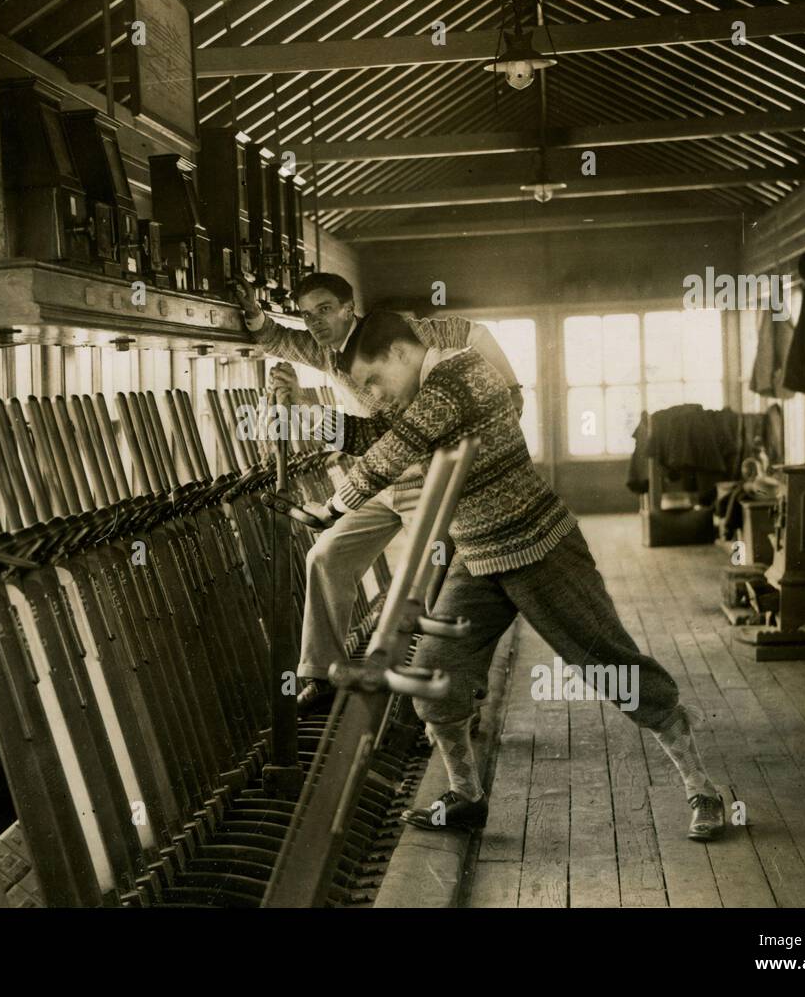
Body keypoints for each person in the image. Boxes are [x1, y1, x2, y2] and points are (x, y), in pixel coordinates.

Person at [301, 310, 726, 842]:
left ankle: (702, 788)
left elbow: (398, 445)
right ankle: (467, 798)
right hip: (478, 558)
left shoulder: (461, 374)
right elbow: (384, 430)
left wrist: (333, 506)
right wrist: (310, 422)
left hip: (538, 548)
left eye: (372, 380)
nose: (374, 393)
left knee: (611, 666)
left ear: (401, 355)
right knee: (434, 677)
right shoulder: (423, 395)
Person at [234, 273, 523, 714]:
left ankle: (459, 687)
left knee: (437, 581)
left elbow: (476, 332)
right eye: (307, 314)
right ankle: (321, 673)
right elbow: (278, 339)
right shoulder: (325, 349)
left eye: (324, 309)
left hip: (426, 476)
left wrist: (512, 389)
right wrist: (255, 316)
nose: (315, 322)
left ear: (350, 307)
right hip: (380, 477)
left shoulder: (406, 330)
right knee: (325, 558)